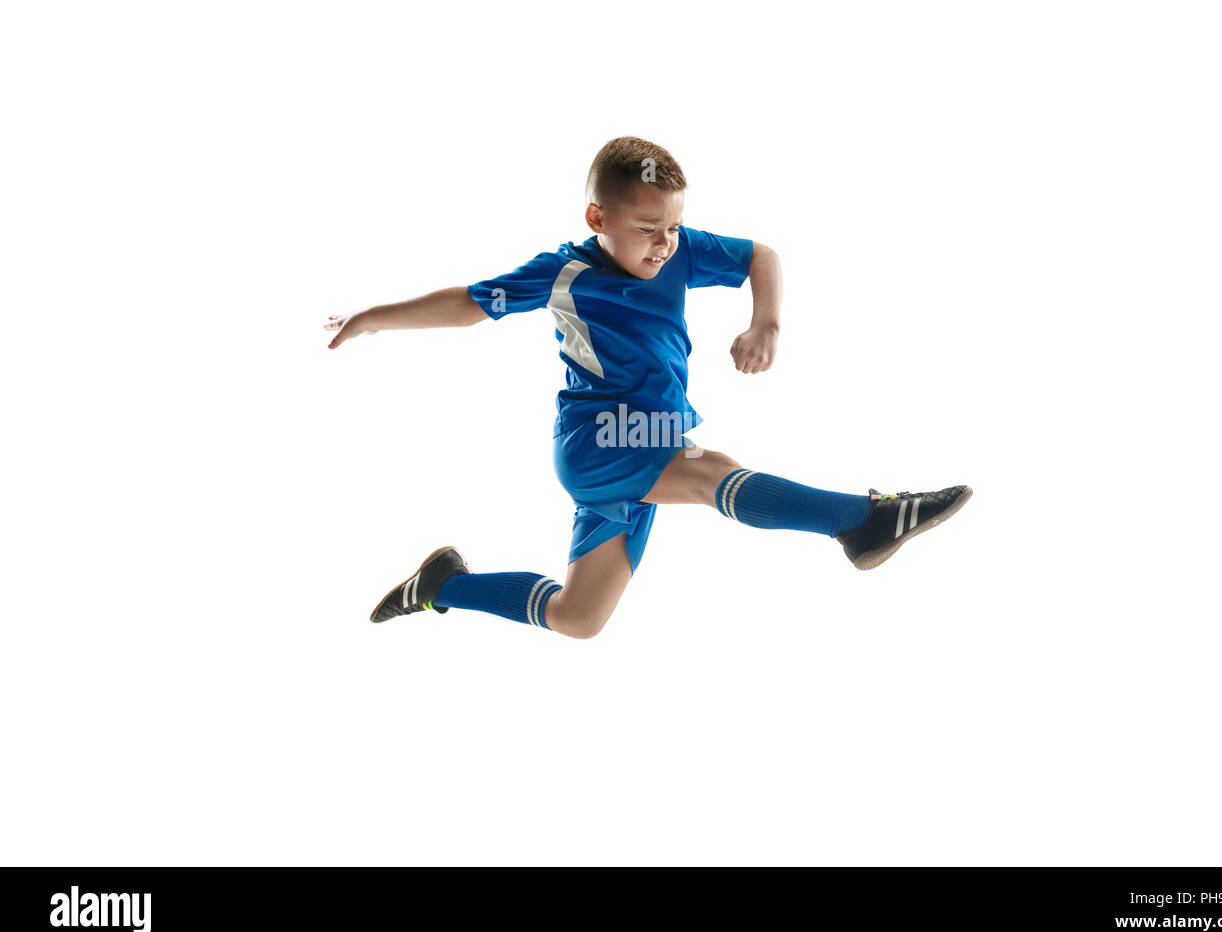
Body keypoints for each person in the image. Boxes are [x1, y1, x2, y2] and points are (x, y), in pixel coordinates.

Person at [324, 136, 971, 639]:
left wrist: (765, 322)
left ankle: (443, 586)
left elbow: (759, 256)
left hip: (653, 439)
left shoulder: (680, 248)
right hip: (598, 441)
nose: (664, 246)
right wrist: (373, 318)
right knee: (709, 471)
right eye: (646, 230)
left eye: (671, 228)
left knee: (579, 617)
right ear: (597, 216)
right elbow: (468, 303)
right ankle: (860, 520)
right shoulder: (565, 273)